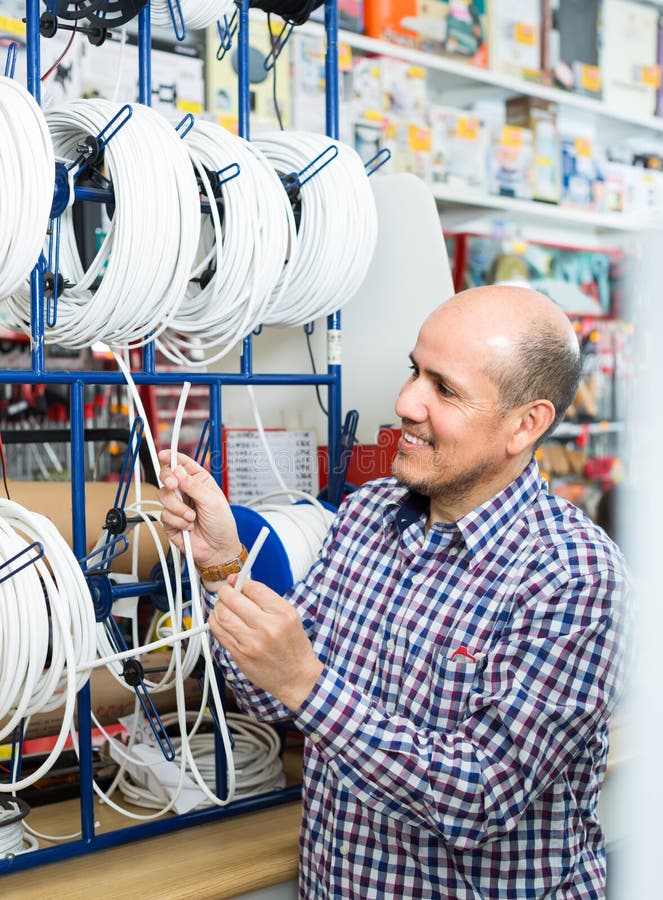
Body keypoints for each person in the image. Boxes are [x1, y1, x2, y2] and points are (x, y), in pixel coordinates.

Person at [158, 284, 630, 899]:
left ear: (525, 425)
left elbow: (480, 798)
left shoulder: (574, 577)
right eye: (415, 371)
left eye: (445, 389)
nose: (406, 401)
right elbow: (269, 697)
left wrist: (309, 685)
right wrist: (223, 563)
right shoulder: (366, 515)